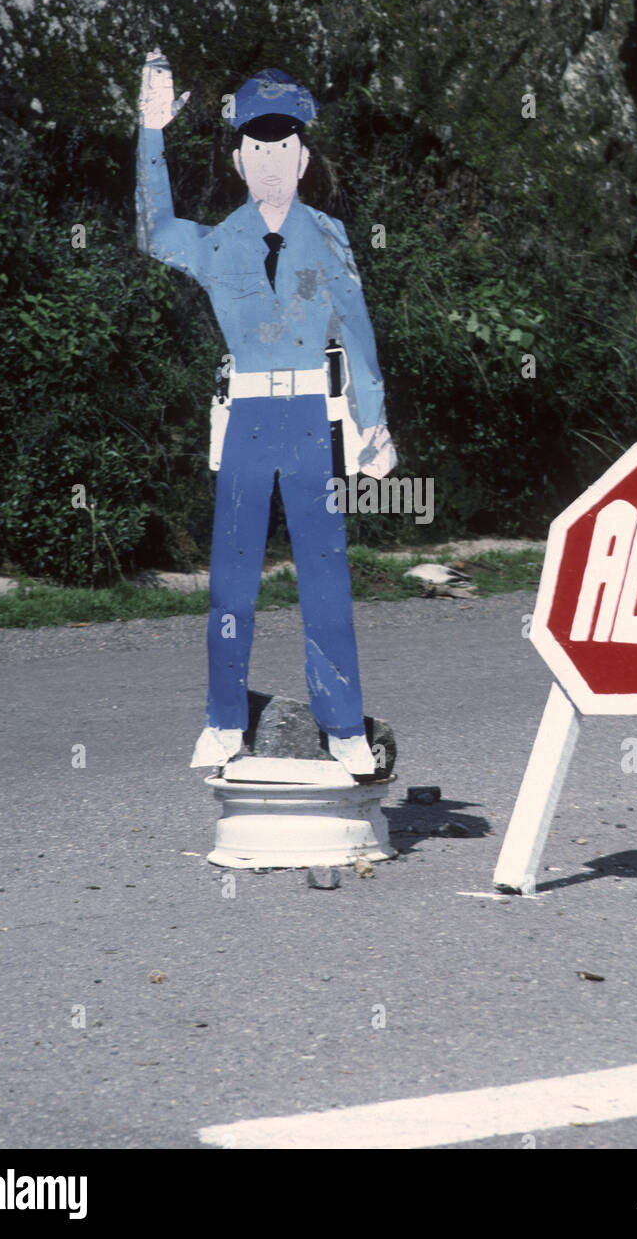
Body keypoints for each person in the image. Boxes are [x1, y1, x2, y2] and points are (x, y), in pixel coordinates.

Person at [136, 52, 396, 779]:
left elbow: (358, 328)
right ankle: (223, 721)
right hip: (247, 413)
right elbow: (156, 233)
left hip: (313, 413)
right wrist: (150, 133)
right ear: (239, 159)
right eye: (258, 148)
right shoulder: (218, 242)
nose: (272, 162)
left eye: (284, 147)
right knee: (231, 578)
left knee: (325, 574)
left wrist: (372, 423)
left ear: (304, 157)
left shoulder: (332, 236)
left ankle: (344, 726)